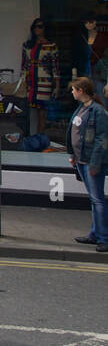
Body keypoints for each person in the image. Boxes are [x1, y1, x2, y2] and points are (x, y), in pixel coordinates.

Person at [68, 76, 108, 252]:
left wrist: (95, 163)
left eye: (73, 89)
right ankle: (95, 234)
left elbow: (103, 139)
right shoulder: (82, 108)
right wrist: (73, 155)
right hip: (82, 160)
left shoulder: (98, 111)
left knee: (98, 200)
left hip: (92, 162)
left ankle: (104, 238)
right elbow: (75, 132)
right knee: (94, 199)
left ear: (81, 91)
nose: (72, 92)